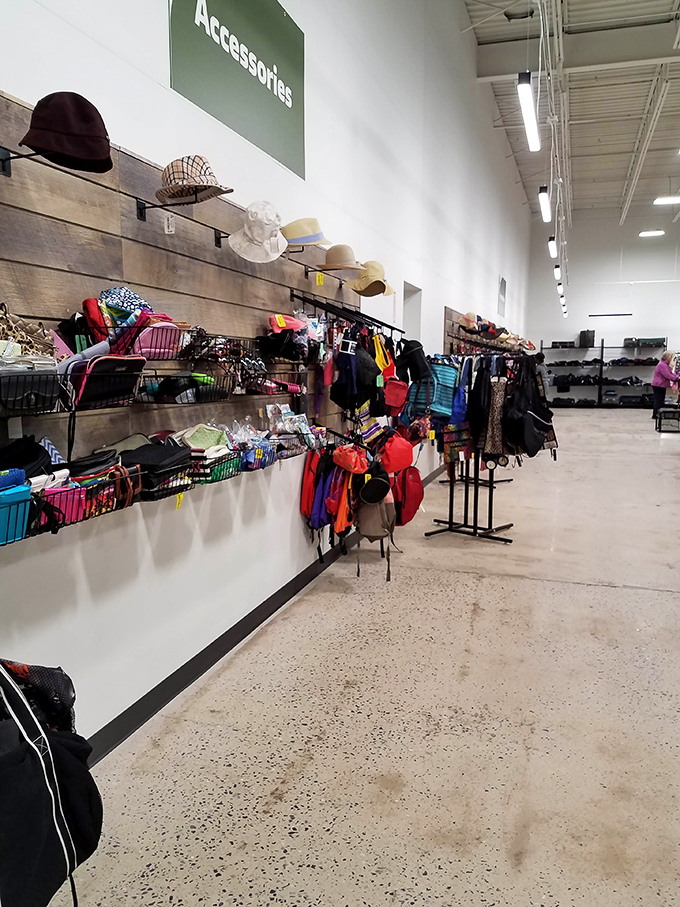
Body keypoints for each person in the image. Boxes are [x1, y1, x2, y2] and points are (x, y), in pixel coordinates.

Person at [651, 352, 679, 416]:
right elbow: (667, 375)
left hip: (661, 385)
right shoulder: (662, 365)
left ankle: (658, 414)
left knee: (660, 400)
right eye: (670, 356)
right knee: (659, 400)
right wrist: (676, 378)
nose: (671, 358)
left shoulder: (665, 364)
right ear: (667, 357)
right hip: (658, 385)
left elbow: (670, 373)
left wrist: (677, 376)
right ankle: (656, 415)